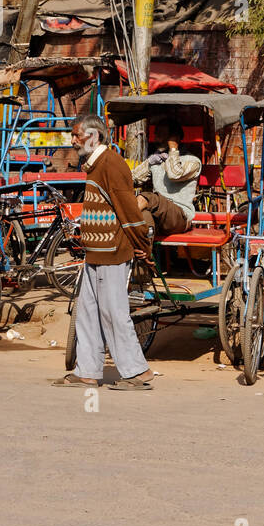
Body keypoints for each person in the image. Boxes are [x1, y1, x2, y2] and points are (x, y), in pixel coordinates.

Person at [53, 113, 158, 390]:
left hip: (112, 251)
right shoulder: (95, 164)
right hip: (96, 251)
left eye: (78, 135)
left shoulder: (111, 164)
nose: (73, 140)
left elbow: (129, 211)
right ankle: (87, 370)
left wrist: (141, 246)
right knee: (87, 311)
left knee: (113, 312)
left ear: (94, 136)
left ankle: (137, 372)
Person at [135, 137, 201, 236]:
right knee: (144, 218)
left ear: (173, 139)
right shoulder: (158, 159)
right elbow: (133, 179)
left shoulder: (193, 161)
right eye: (157, 133)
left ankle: (124, 221)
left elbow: (174, 175)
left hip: (180, 217)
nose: (156, 138)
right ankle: (143, 249)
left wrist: (173, 150)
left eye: (161, 134)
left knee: (146, 198)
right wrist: (148, 163)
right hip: (157, 216)